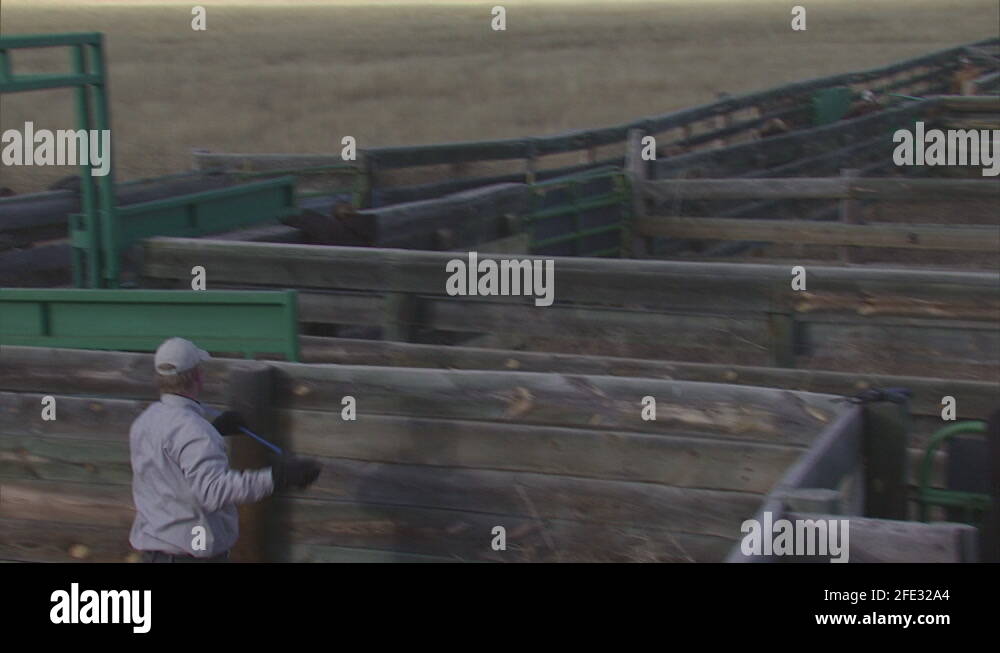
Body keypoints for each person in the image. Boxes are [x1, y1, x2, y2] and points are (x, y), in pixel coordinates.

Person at [129, 337, 321, 562]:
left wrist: (214, 431)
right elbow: (213, 492)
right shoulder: (194, 431)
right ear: (198, 376)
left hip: (153, 555)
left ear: (159, 379)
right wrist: (278, 477)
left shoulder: (144, 421)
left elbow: (169, 461)